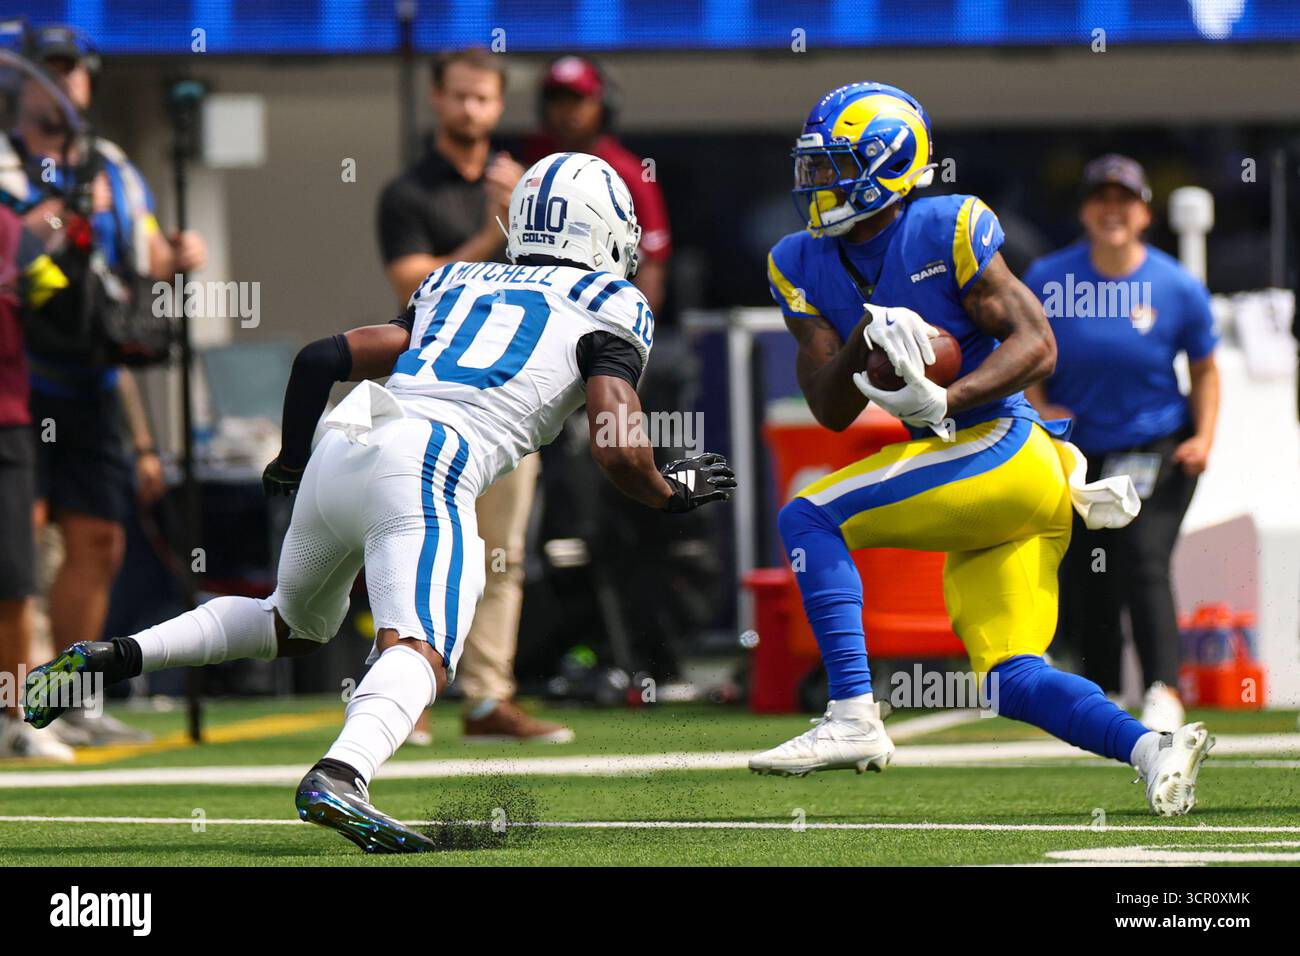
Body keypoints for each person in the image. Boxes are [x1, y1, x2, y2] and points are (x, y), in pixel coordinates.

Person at [24, 154, 736, 852]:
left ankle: (114, 654)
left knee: (290, 621)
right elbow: (615, 442)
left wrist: (294, 459)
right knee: (421, 649)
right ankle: (341, 773)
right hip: (430, 460)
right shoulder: (613, 304)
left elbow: (322, 359)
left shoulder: (454, 279)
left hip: (351, 434)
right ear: (606, 234)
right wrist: (669, 492)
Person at [753, 82, 1212, 817]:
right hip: (1001, 497)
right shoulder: (798, 261)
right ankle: (1152, 747)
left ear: (887, 165)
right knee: (1009, 678)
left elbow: (1039, 344)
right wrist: (864, 343)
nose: (819, 182)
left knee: (809, 515)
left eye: (835, 165)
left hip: (1002, 444)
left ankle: (851, 715)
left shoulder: (948, 228)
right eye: (814, 166)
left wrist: (945, 399)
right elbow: (830, 408)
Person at [4, 27, 203, 745]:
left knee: (97, 540)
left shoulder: (114, 165)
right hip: (18, 381)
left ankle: (71, 699)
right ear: (22, 82)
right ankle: (15, 708)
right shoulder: (8, 162)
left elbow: (146, 253)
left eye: (72, 71)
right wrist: (63, 208)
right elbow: (14, 247)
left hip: (92, 381)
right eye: (47, 71)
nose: (62, 83)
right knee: (17, 549)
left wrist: (177, 255)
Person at [376, 49, 567, 743]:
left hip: (514, 400)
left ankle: (487, 697)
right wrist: (495, 232)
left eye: (483, 99)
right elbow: (412, 287)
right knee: (417, 544)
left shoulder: (523, 187)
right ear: (436, 98)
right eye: (459, 97)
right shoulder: (409, 193)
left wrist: (527, 221)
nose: (470, 110)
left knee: (501, 556)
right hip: (431, 398)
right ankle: (408, 693)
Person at [1022, 155, 1220, 732]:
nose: (1112, 210)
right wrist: (1039, 404)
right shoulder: (1049, 278)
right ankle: (1099, 694)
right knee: (1089, 569)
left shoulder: (1175, 285)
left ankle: (1164, 687)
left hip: (1158, 443)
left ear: (1144, 213)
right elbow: (1025, 352)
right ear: (1084, 211)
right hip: (1080, 450)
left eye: (1124, 199)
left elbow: (1206, 369)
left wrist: (1203, 438)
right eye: (1100, 198)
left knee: (1143, 556)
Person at [524, 55, 672, 313]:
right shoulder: (533, 167)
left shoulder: (630, 173)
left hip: (607, 315)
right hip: (541, 310)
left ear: (604, 105)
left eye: (578, 101)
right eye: (558, 101)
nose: (567, 111)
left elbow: (652, 267)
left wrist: (632, 337)